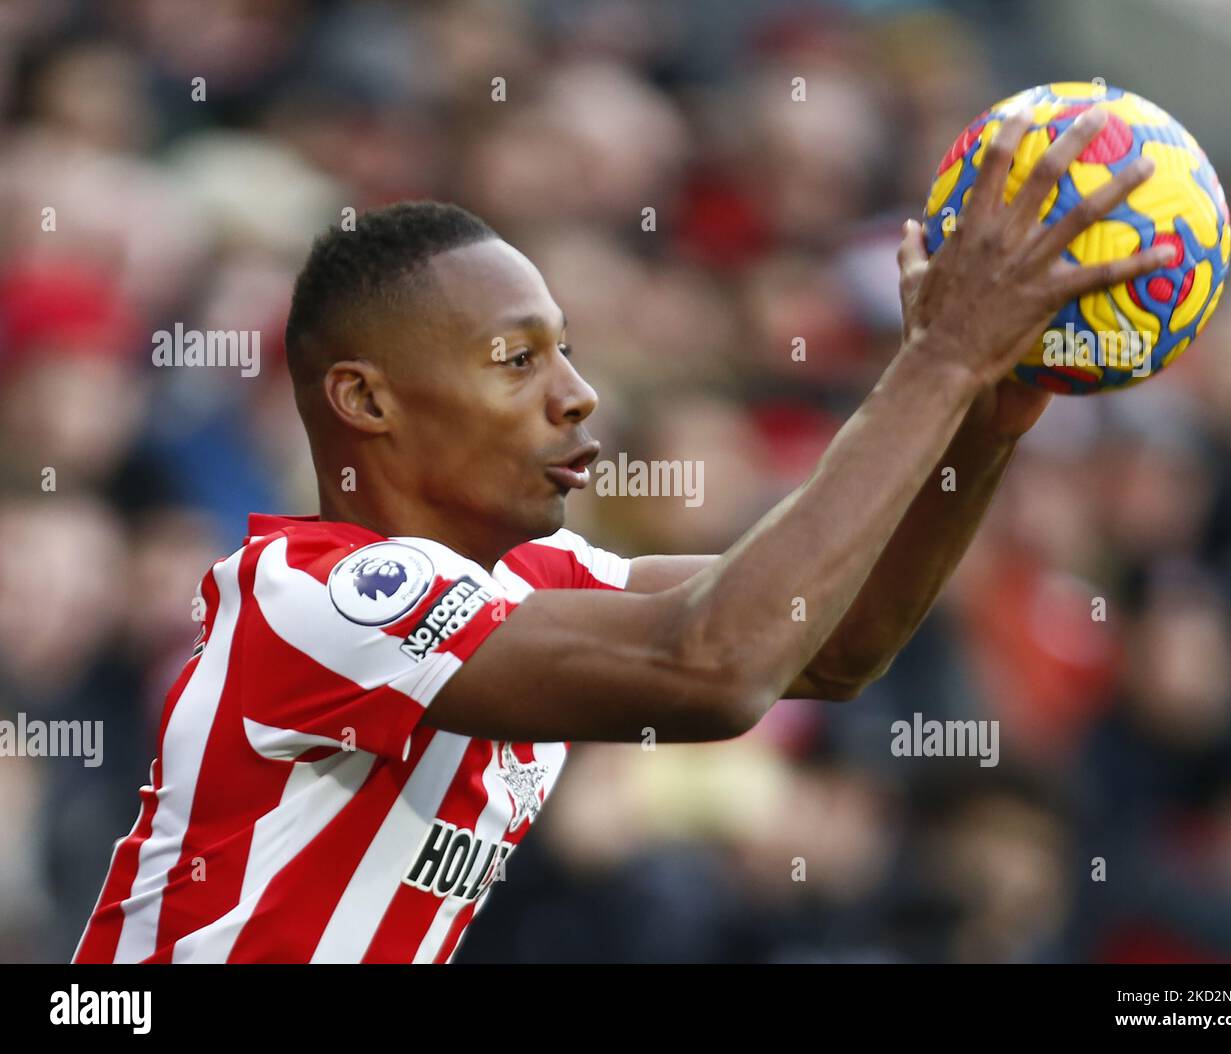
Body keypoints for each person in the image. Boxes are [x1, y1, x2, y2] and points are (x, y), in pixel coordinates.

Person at [75, 107, 1171, 963]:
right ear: (366, 400)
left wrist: (985, 413)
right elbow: (712, 669)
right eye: (517, 360)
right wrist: (934, 362)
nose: (579, 395)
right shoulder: (309, 595)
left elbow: (829, 643)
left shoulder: (537, 579)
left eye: (568, 352)